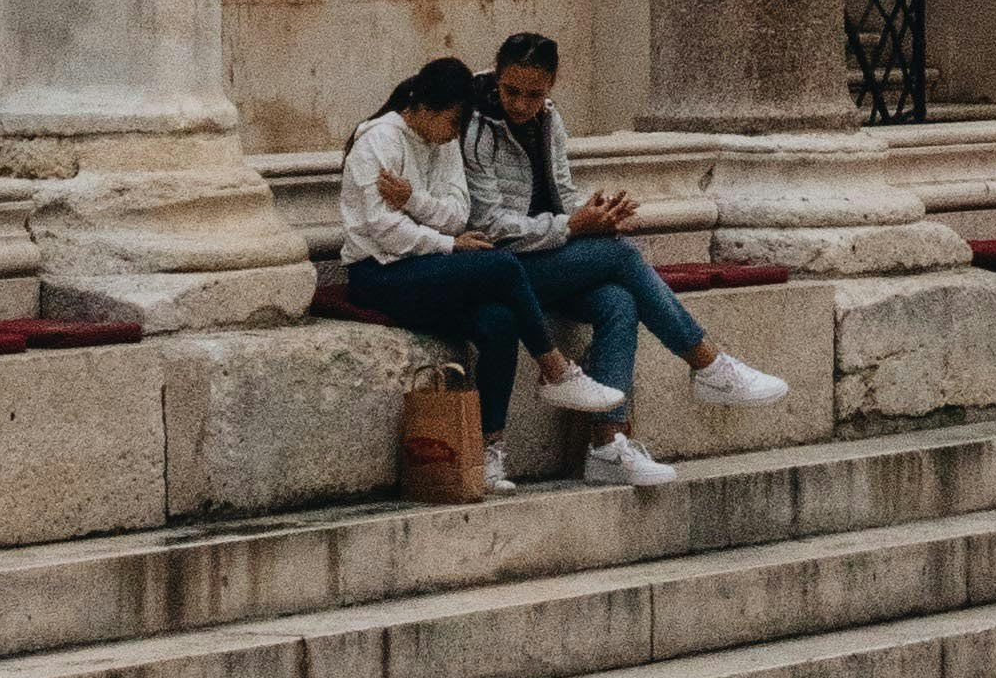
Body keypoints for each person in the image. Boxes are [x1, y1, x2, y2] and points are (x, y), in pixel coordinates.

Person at [461, 29, 789, 487]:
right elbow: (488, 225)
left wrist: (595, 216)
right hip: (500, 269)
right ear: (497, 76)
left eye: (533, 94)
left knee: (619, 301)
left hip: (543, 261)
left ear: (552, 85)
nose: (519, 103)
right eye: (511, 90)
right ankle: (707, 363)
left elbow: (561, 193)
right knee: (618, 256)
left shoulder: (550, 120)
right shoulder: (477, 124)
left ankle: (607, 446)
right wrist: (573, 228)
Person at [336, 55, 624, 487]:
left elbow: (457, 212)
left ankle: (490, 451)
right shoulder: (377, 141)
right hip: (377, 274)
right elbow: (383, 229)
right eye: (453, 121)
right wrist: (448, 245)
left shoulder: (446, 141)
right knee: (504, 266)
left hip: (426, 268)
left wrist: (415, 201)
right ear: (425, 107)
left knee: (500, 320)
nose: (456, 133)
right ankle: (556, 369)